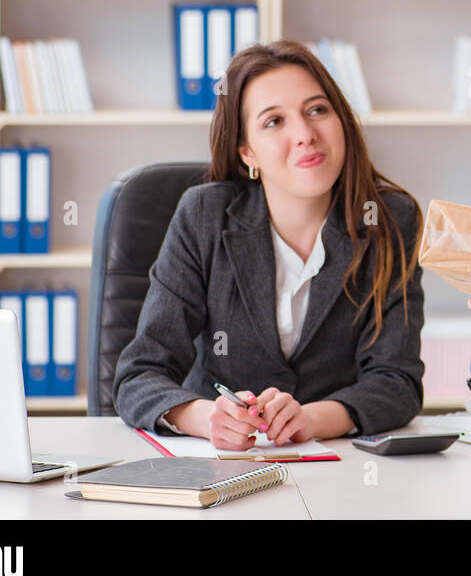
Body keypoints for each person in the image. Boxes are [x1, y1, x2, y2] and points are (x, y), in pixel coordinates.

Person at [114, 40, 425, 450]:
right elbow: (139, 375)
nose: (305, 135)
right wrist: (206, 418)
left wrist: (311, 419)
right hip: (219, 469)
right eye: (274, 122)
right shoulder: (204, 215)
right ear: (247, 153)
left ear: (342, 122)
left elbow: (397, 382)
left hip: (339, 471)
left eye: (317, 110)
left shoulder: (388, 220)